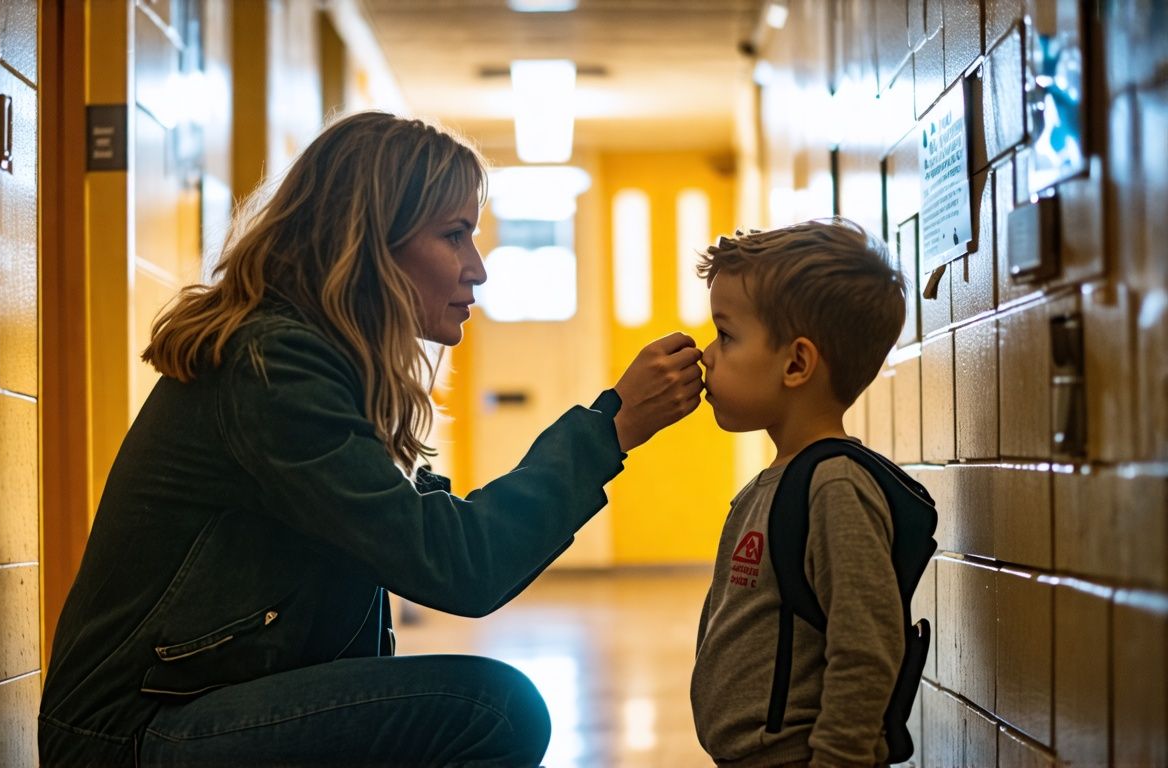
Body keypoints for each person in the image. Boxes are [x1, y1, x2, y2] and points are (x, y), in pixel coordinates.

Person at [38, 111, 704, 767]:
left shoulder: (311, 358)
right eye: (454, 235)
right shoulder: (273, 368)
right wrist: (610, 428)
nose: (478, 268)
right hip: (128, 734)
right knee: (494, 709)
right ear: (367, 243)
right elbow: (459, 567)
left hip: (184, 710)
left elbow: (432, 538)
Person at [689, 218, 909, 766]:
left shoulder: (834, 487)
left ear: (796, 363)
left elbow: (867, 648)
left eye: (726, 335)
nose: (707, 356)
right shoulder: (774, 483)